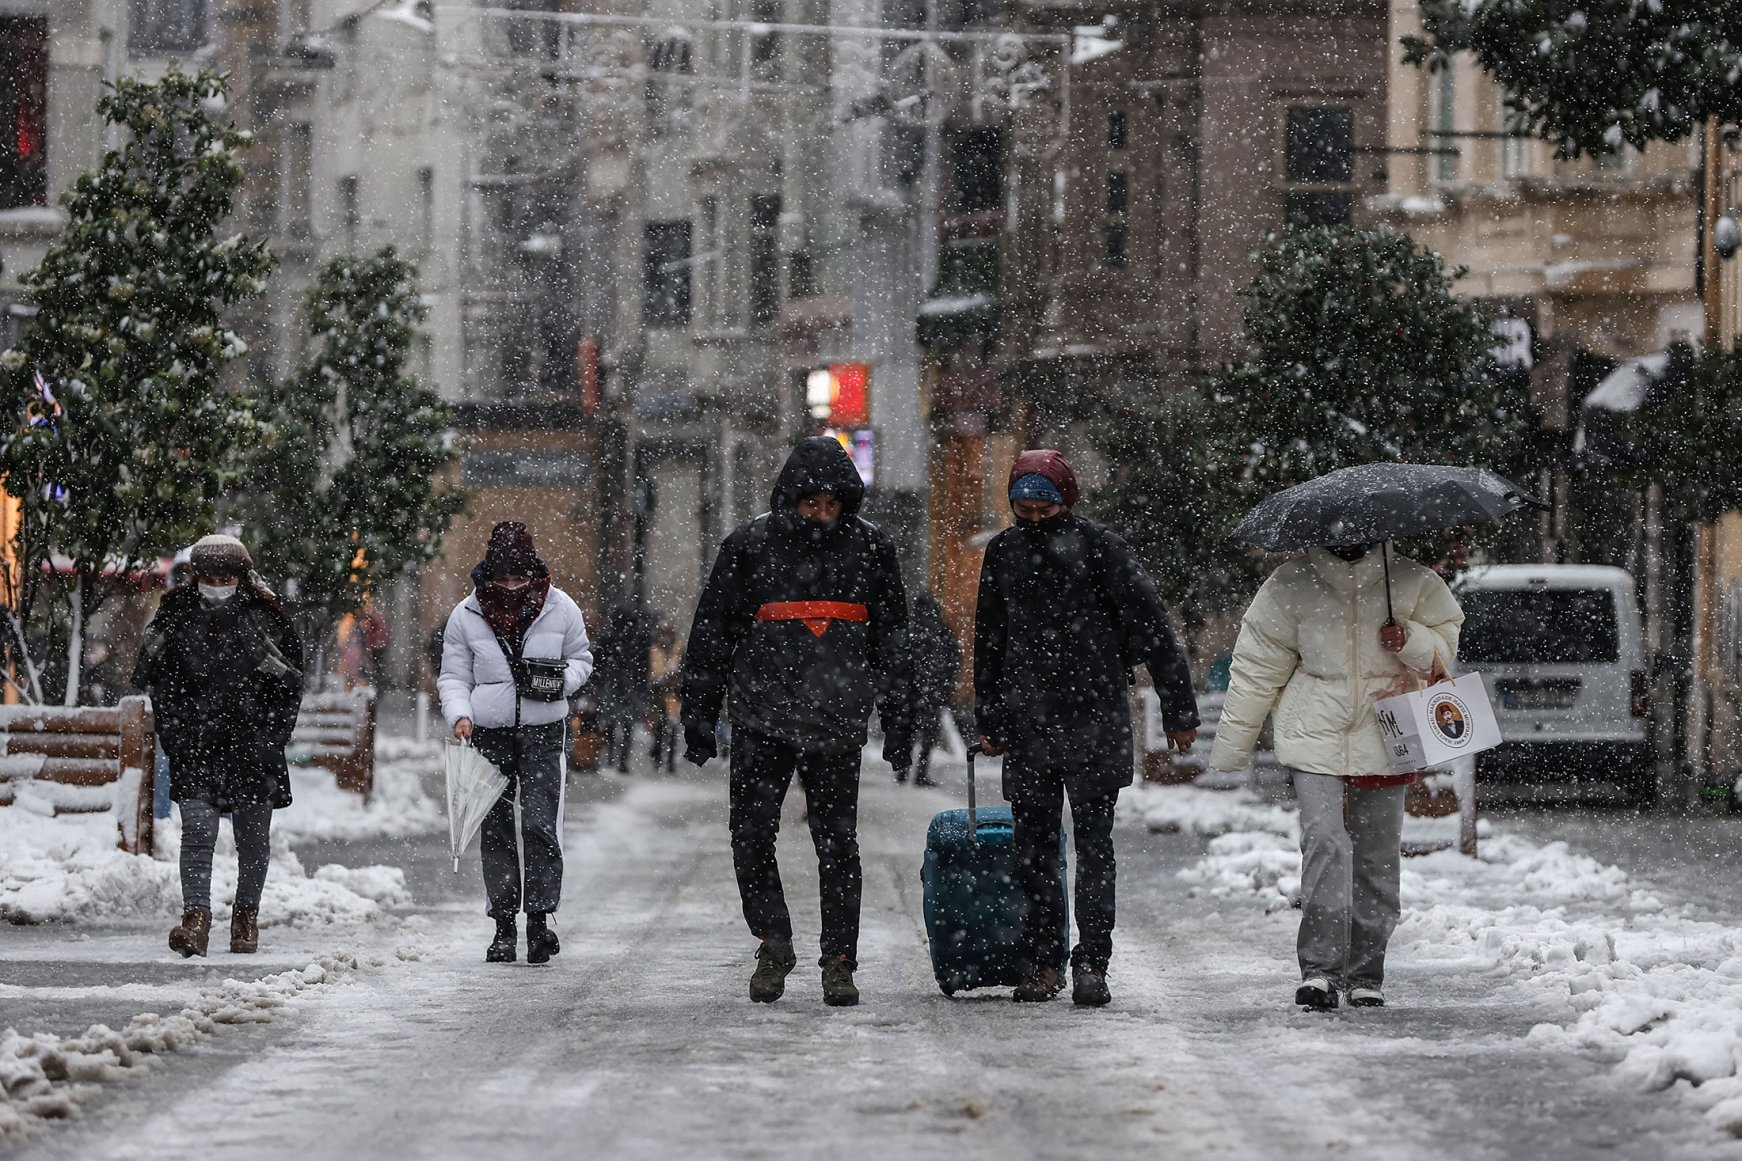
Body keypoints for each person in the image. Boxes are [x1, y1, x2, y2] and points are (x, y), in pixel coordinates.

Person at [682, 436, 912, 1007]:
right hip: (764, 719)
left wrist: (903, 719)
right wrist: (700, 715)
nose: (822, 515)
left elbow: (895, 642)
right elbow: (712, 635)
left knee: (838, 845)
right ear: (791, 499)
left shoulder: (872, 550)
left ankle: (839, 962)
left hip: (835, 720)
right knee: (751, 837)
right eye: (812, 504)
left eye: (833, 505)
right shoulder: (749, 549)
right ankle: (774, 940)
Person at [975, 450, 1199, 1007]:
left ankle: (1092, 962)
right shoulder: (1002, 553)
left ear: (1065, 498)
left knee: (1095, 849)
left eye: (1042, 506)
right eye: (1022, 506)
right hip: (1028, 723)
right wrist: (990, 717)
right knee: (1034, 851)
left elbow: (1152, 627)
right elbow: (989, 639)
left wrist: (1178, 709)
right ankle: (1043, 961)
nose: (1031, 516)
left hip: (1094, 717)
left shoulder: (1102, 548)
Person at [1207, 541, 1463, 1011]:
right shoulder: (1290, 583)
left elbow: (1445, 652)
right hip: (1313, 731)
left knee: (1377, 854)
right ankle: (1320, 972)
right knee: (1324, 840)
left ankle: (1367, 974)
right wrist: (1231, 748)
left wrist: (1409, 640)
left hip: (1388, 729)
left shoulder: (1412, 581)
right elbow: (1257, 666)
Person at [133, 534, 304, 958]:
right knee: (197, 833)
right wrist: (176, 735)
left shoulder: (266, 617)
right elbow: (157, 679)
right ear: (196, 576)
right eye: (209, 576)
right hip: (196, 744)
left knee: (252, 838)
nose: (218, 583)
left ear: (241, 576)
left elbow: (290, 683)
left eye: (226, 576)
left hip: (254, 745)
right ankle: (195, 919)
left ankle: (246, 917)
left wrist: (273, 737)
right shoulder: (175, 616)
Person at [439, 522, 594, 964]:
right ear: (488, 573)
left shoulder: (561, 608)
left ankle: (539, 923)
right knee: (496, 830)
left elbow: (582, 658)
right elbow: (454, 675)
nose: (510, 586)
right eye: (502, 577)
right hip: (488, 734)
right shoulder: (466, 615)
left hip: (546, 730)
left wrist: (561, 681)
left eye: (518, 577)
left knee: (542, 826)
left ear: (533, 571)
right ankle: (504, 926)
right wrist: (460, 714)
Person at [903, 592, 961, 788]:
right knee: (928, 735)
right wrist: (946, 685)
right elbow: (954, 658)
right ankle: (920, 773)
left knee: (908, 731)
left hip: (912, 691)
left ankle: (903, 771)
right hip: (934, 692)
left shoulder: (910, 629)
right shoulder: (941, 629)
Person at [593, 601, 652, 773]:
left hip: (621, 687)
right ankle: (616, 758)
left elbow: (597, 663)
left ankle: (618, 759)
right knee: (618, 725)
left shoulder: (632, 640)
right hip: (617, 686)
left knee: (622, 725)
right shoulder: (614, 639)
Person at [647, 621, 683, 772]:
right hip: (658, 694)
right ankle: (658, 757)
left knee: (673, 728)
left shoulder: (678, 649)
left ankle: (670, 762)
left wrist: (677, 681)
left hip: (674, 694)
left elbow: (684, 669)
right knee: (659, 729)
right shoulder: (654, 650)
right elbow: (649, 671)